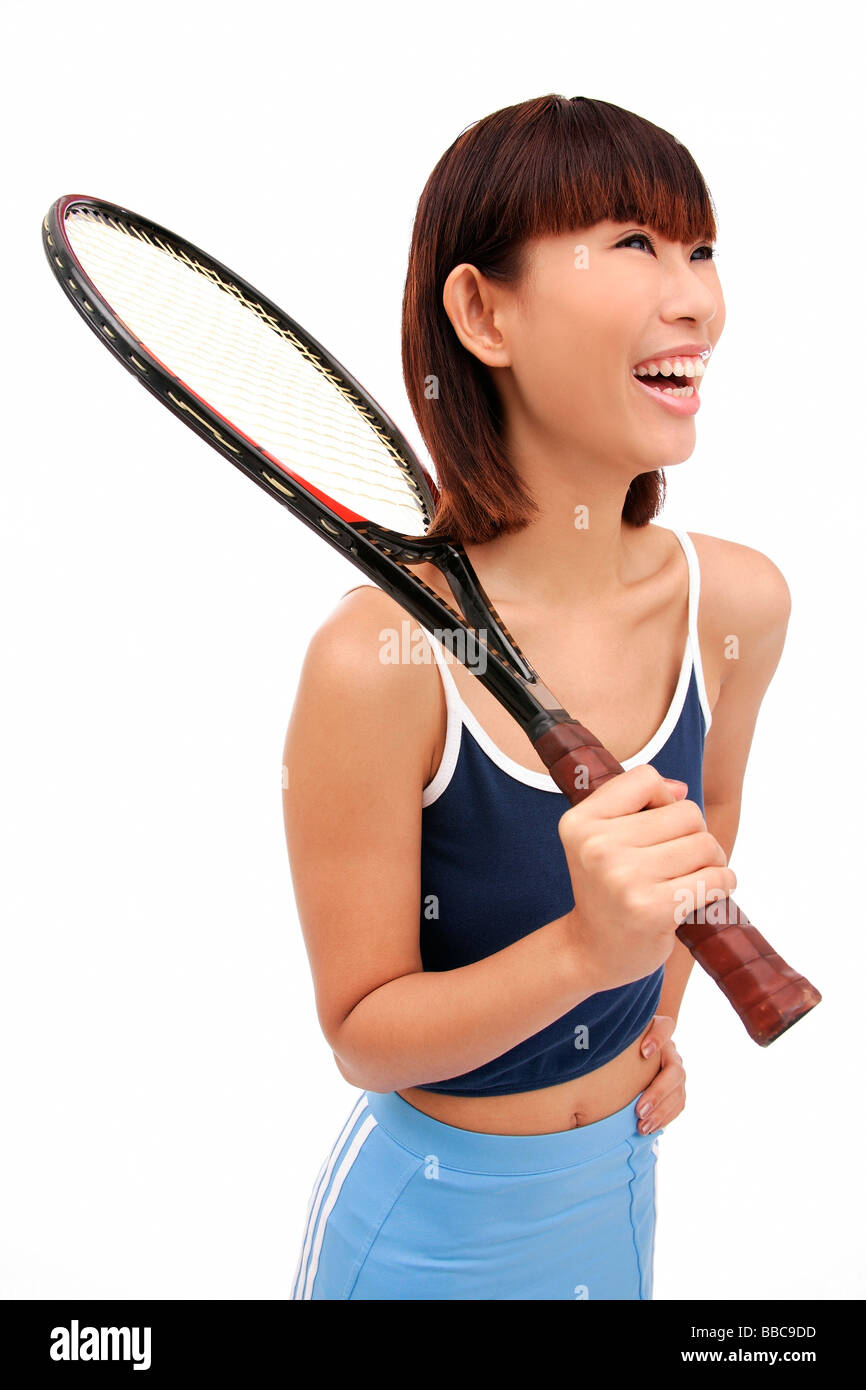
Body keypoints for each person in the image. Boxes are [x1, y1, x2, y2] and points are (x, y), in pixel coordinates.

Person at [283, 94, 791, 1300]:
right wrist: (580, 951)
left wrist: (650, 1019)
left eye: (699, 248)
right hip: (428, 1228)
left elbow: (697, 837)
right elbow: (361, 1031)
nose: (693, 300)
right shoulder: (376, 662)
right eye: (630, 244)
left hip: (618, 1191)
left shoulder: (736, 602)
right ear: (481, 311)